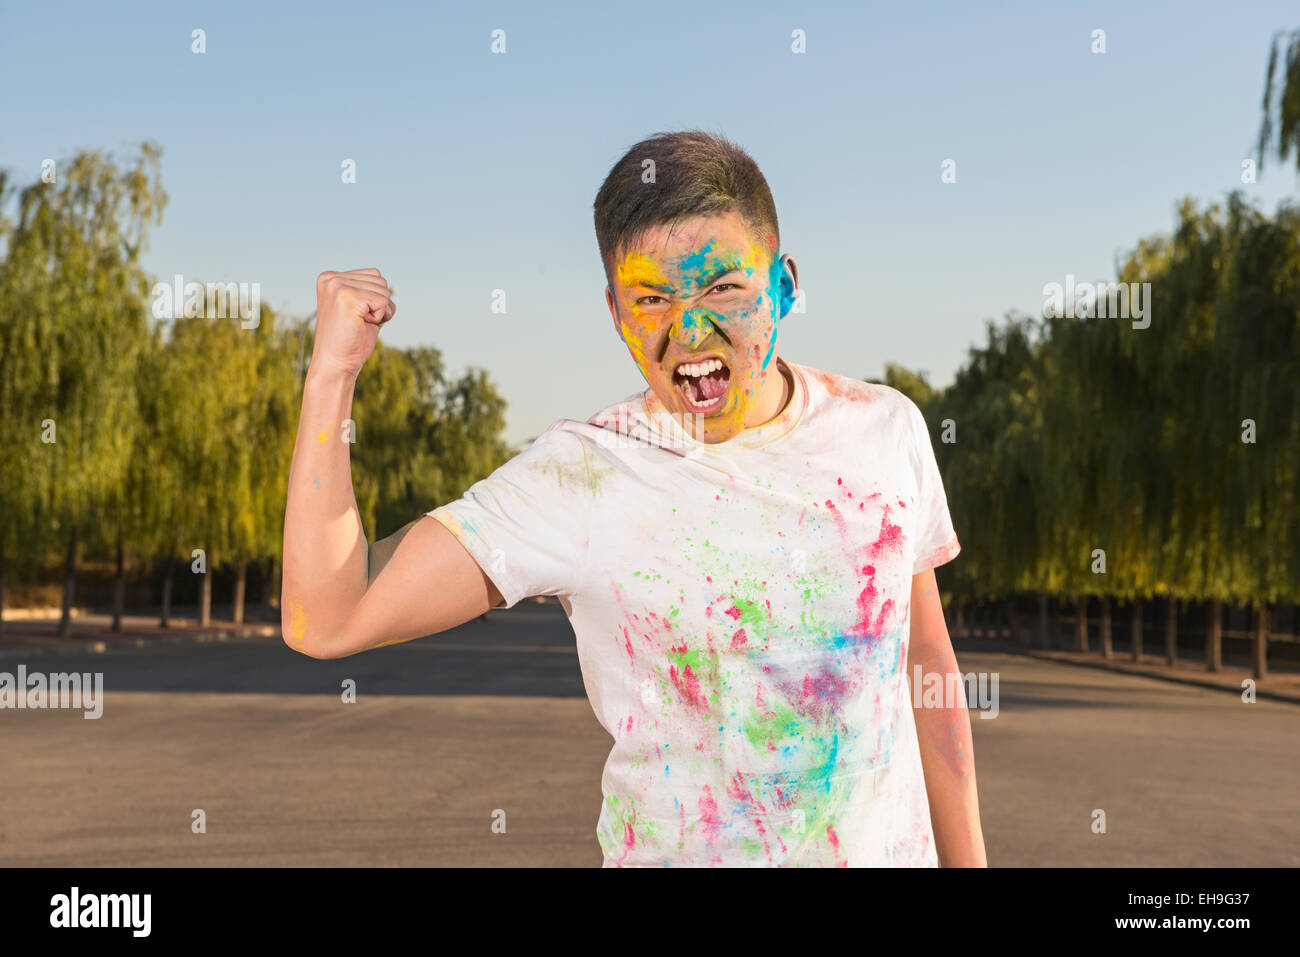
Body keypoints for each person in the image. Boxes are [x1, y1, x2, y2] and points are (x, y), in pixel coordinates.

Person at [281, 129, 987, 867]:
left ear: (783, 285)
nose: (690, 329)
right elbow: (329, 616)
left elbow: (926, 662)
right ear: (617, 313)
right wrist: (331, 374)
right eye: (653, 298)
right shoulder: (582, 478)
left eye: (723, 287)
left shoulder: (884, 429)